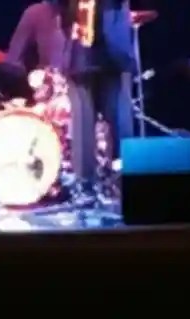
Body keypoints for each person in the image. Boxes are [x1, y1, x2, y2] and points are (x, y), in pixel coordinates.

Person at [64, 0, 135, 203]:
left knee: (120, 121)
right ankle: (85, 185)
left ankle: (122, 181)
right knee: (82, 126)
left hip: (114, 52)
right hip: (80, 51)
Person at [4, 0, 67, 79]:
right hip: (37, 81)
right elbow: (14, 56)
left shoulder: (63, 19)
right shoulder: (35, 13)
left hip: (61, 81)